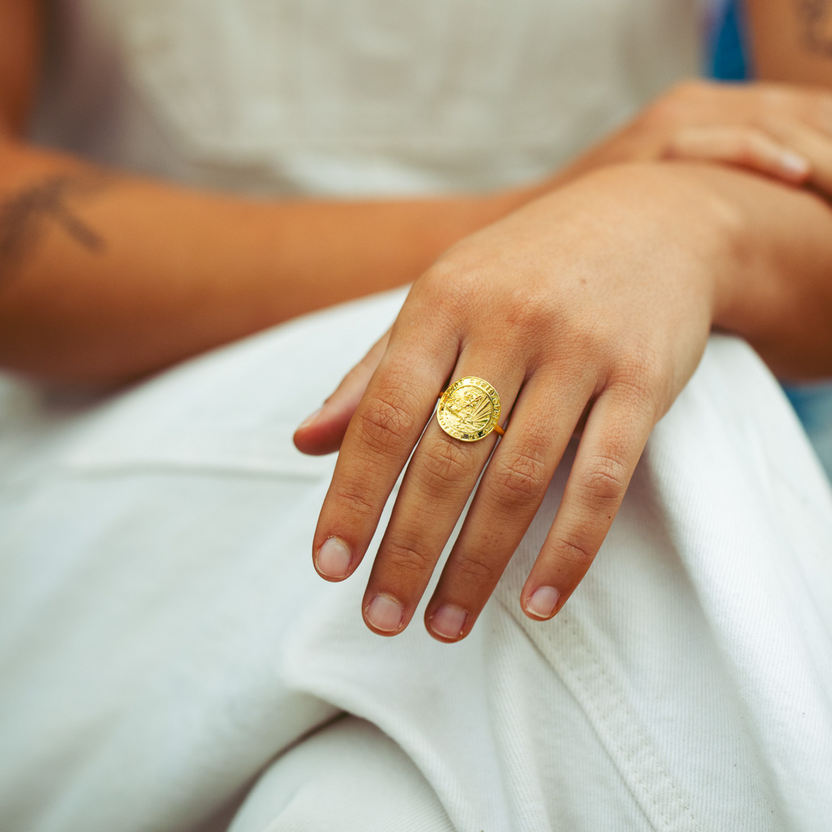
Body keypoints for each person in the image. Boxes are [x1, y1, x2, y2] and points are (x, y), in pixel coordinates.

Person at [0, 0, 831, 830]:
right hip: (122, 456)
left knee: (362, 806)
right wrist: (539, 226)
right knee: (597, 462)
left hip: (626, 311)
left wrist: (680, 224)